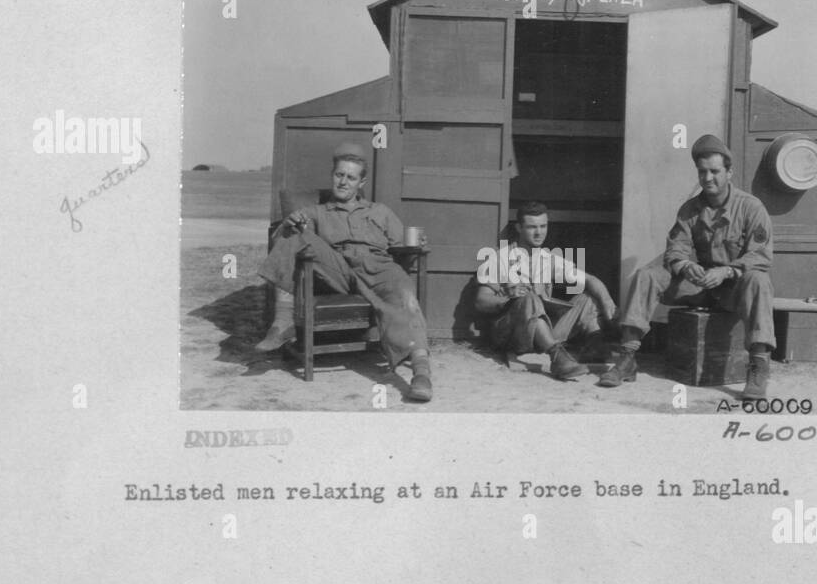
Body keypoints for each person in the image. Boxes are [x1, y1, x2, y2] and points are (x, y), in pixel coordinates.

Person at [599, 133, 776, 399]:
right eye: (702, 172)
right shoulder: (690, 209)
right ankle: (627, 358)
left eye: (715, 171)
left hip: (732, 290)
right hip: (700, 286)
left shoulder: (751, 208)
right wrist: (683, 265)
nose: (708, 178)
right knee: (647, 275)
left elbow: (760, 255)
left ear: (729, 172)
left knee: (759, 280)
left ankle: (759, 366)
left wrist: (727, 271)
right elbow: (676, 247)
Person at [255, 142, 434, 402]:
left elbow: (404, 245)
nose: (343, 182)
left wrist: (419, 244)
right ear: (333, 176)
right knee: (293, 231)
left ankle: (421, 374)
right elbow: (284, 233)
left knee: (406, 298)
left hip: (380, 268)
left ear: (361, 183)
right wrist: (291, 222)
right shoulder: (316, 212)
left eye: (351, 177)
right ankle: (282, 321)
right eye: (339, 175)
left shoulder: (380, 212)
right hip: (340, 269)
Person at [473, 202, 617, 380]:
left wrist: (607, 303)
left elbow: (589, 279)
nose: (539, 232)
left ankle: (594, 344)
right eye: (532, 227)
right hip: (513, 334)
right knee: (529, 298)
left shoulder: (549, 259)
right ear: (518, 227)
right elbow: (481, 301)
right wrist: (509, 298)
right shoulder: (499, 258)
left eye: (543, 226)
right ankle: (556, 355)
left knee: (589, 297)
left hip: (542, 333)